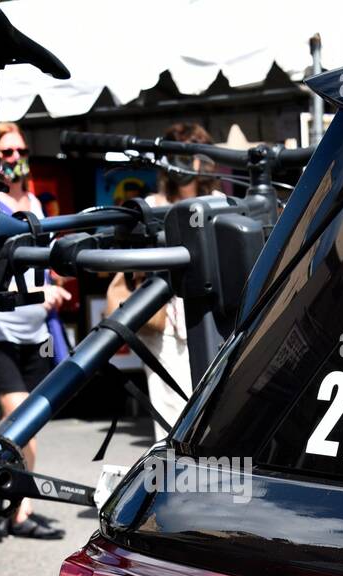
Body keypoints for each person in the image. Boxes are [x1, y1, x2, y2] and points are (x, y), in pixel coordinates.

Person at [0, 122, 71, 541]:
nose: (13, 158)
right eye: (5, 153)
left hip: (37, 335)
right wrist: (35, 292)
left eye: (19, 150)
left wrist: (53, 286)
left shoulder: (35, 203)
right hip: (2, 334)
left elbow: (41, 266)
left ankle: (2, 488)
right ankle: (20, 509)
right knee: (19, 419)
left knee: (29, 424)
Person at [104, 122, 221, 440]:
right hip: (166, 328)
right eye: (178, 155)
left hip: (216, 323)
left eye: (191, 153)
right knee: (173, 422)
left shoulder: (219, 202)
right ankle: (179, 485)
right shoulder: (151, 208)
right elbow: (129, 267)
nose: (186, 164)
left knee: (216, 415)